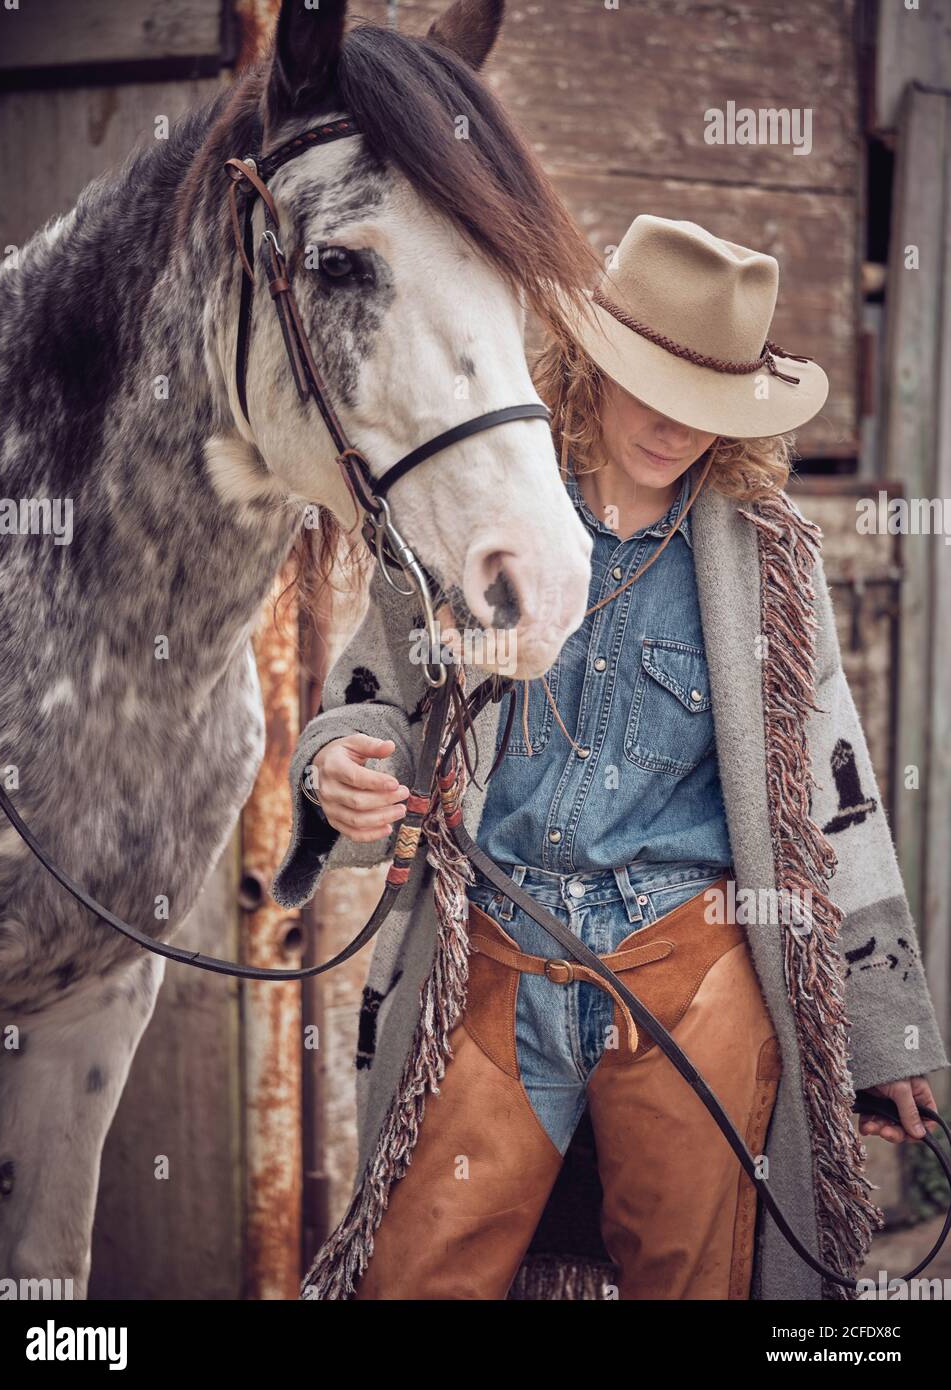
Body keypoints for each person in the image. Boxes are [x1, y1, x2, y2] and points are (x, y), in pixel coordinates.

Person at [272, 215, 949, 1301]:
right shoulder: (473, 510)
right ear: (591, 359)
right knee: (413, 1274)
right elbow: (376, 696)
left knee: (702, 1283)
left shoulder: (770, 564)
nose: (676, 425)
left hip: (693, 966)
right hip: (493, 962)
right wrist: (340, 764)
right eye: (653, 383)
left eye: (705, 401)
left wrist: (890, 1029)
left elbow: (839, 800)